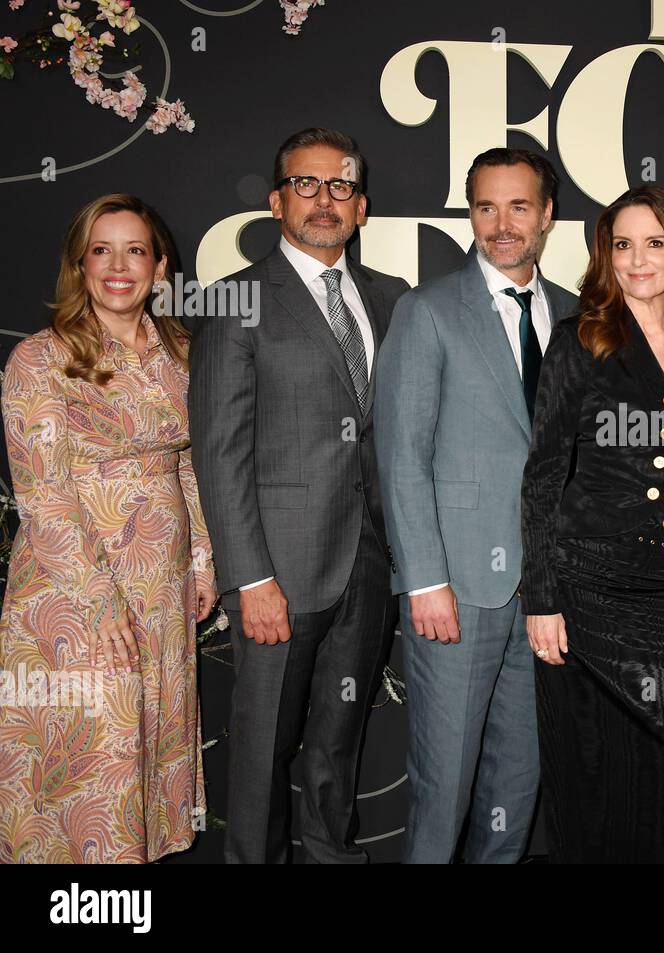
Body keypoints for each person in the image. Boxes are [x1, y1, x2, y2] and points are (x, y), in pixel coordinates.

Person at [189, 128, 410, 863]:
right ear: (278, 200)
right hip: (277, 570)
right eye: (306, 185)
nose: (324, 200)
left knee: (338, 738)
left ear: (362, 205)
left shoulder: (392, 300)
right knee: (260, 748)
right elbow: (220, 451)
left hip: (369, 566)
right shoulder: (238, 300)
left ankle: (329, 854)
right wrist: (249, 577)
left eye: (339, 186)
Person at [521, 185, 664, 863]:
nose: (637, 259)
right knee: (598, 776)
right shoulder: (579, 340)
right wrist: (540, 597)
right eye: (622, 244)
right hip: (587, 588)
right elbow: (541, 477)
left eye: (654, 243)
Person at [374, 148, 577, 863]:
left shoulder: (579, 317)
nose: (501, 223)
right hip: (456, 587)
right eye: (486, 206)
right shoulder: (427, 310)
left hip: (550, 594)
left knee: (518, 779)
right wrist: (424, 580)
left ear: (547, 215)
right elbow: (402, 457)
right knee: (445, 779)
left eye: (519, 206)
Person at [0, 193, 215, 863]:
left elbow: (186, 464)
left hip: (162, 590)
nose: (118, 266)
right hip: (74, 597)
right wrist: (101, 602)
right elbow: (42, 494)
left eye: (135, 250)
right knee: (93, 759)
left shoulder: (178, 350)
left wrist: (203, 559)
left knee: (148, 749)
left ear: (159, 265)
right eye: (102, 249)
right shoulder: (40, 359)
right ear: (78, 264)